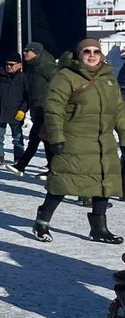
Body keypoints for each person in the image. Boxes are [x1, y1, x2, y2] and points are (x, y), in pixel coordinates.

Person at [31, 39, 125, 244]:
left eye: (96, 51)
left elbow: (119, 112)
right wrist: (56, 137)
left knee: (104, 183)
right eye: (87, 51)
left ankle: (99, 228)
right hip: (75, 139)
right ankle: (42, 221)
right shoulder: (66, 77)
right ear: (78, 54)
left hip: (103, 141)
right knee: (64, 182)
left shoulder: (108, 79)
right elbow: (54, 108)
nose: (92, 55)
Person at [7, 41, 58, 177]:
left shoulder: (47, 66)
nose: (24, 53)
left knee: (35, 137)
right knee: (46, 140)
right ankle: (52, 169)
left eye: (27, 51)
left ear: (36, 52)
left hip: (46, 109)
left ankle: (21, 165)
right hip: (37, 109)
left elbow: (59, 85)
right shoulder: (32, 67)